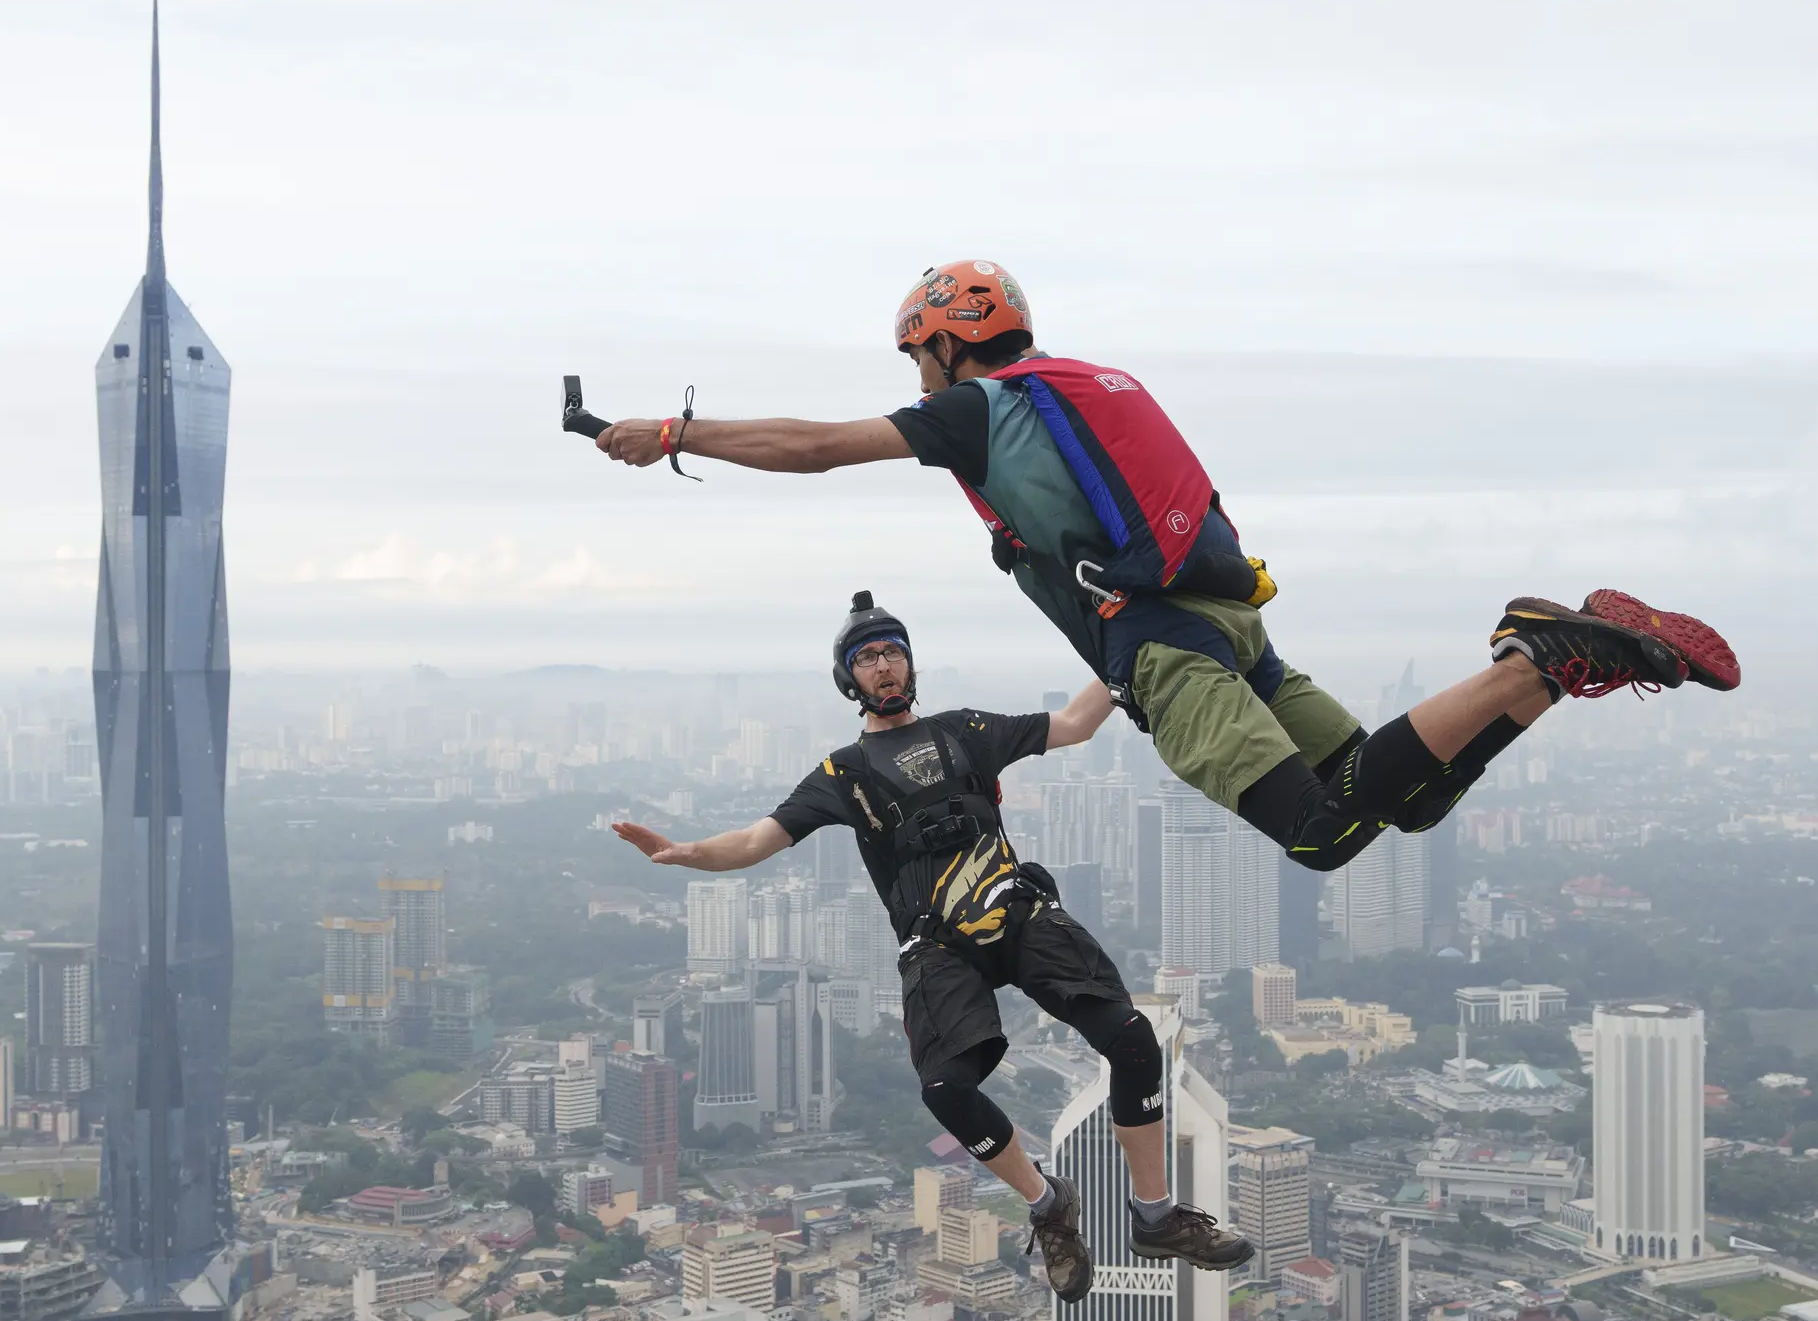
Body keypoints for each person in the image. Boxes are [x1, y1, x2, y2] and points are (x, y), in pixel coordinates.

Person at [594, 261, 1739, 874]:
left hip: (1171, 648)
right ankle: (1538, 664)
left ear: (944, 340)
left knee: (1321, 831)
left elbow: (812, 450)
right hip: (1236, 623)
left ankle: (1529, 655)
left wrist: (677, 434)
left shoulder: (977, 414)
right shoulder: (1089, 384)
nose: (920, 372)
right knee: (1409, 806)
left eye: (919, 353)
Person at [611, 592, 1257, 1304]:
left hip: (1018, 913)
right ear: (848, 681)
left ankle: (1156, 1215)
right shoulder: (843, 773)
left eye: (892, 652)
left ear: (911, 663)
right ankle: (1049, 1205)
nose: (884, 667)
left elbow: (1072, 724)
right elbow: (759, 840)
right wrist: (685, 852)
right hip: (938, 947)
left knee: (1133, 1041)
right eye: (867, 658)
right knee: (946, 1088)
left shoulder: (966, 731)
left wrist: (1128, 651)